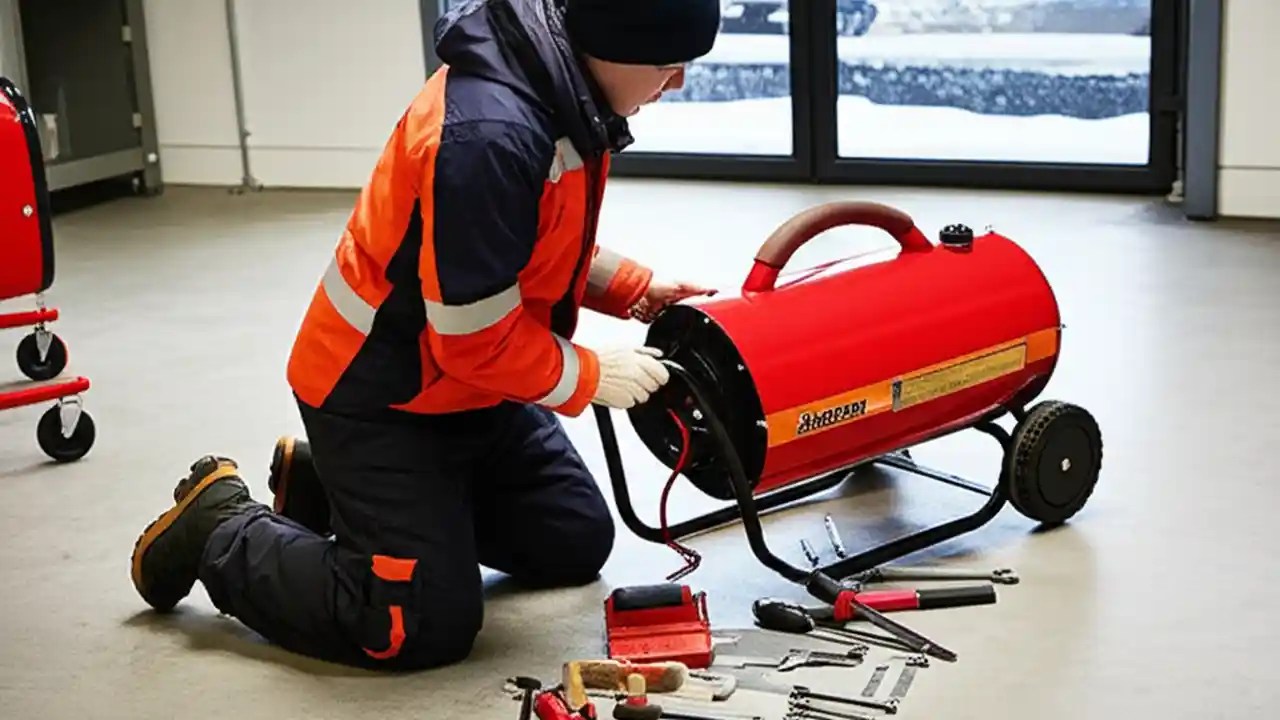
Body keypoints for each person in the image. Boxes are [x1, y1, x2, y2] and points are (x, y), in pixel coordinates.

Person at [128, 0, 722, 671]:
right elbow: (470, 337)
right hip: (379, 396)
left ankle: (327, 489)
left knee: (572, 541)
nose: (675, 85)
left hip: (469, 392)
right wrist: (591, 375)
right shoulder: (490, 136)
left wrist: (632, 289)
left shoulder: (560, 86)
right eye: (669, 67)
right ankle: (220, 526)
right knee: (416, 624)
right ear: (613, 44)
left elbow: (521, 246)